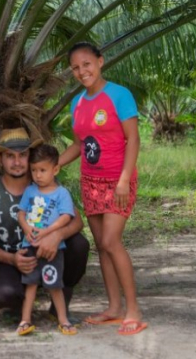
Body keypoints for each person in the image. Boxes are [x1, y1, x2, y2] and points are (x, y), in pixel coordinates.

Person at [58, 42, 147, 336]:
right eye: (75, 67)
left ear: (100, 61)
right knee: (101, 245)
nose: (82, 71)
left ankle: (133, 310)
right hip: (90, 182)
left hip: (117, 181)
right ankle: (114, 308)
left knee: (111, 241)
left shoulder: (119, 95)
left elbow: (133, 139)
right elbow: (79, 144)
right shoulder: (77, 103)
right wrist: (56, 164)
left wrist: (124, 180)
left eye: (86, 64)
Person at [0, 127, 89, 321]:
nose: (17, 162)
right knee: (4, 294)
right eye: (10, 156)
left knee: (79, 245)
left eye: (23, 155)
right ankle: (20, 309)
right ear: (0, 159)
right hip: (11, 259)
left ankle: (59, 306)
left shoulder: (46, 183)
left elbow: (77, 221)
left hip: (50, 253)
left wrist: (56, 236)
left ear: (30, 157)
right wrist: (12, 259)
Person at [16, 144, 78, 336]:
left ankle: (63, 320)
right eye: (34, 170)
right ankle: (25, 320)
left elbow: (66, 216)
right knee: (31, 284)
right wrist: (26, 228)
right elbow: (21, 213)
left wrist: (48, 232)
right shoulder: (30, 191)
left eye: (43, 170)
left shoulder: (61, 193)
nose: (38, 175)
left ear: (55, 169)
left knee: (55, 285)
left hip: (53, 248)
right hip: (30, 245)